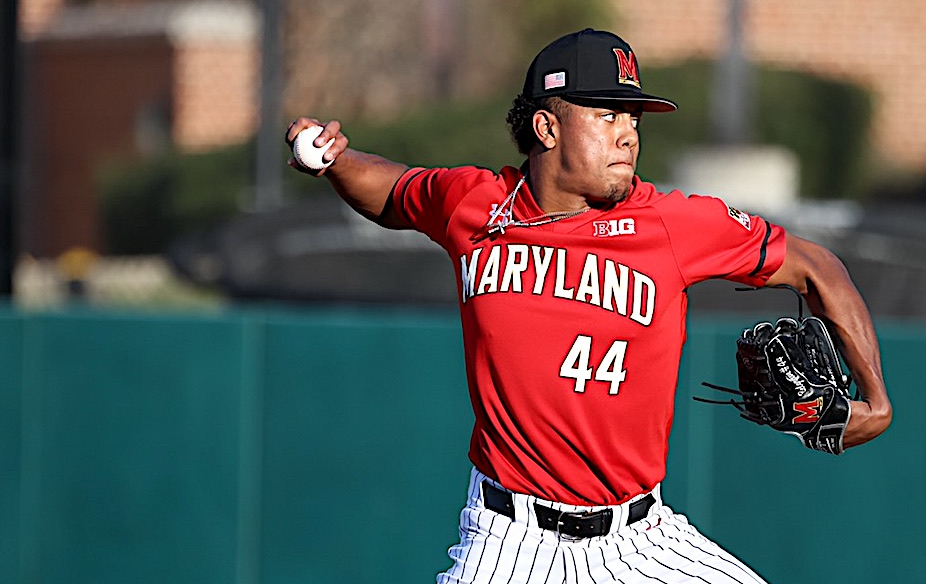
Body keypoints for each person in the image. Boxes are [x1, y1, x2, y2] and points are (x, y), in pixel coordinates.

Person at [287, 28, 891, 584]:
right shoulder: (476, 205)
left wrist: (877, 398)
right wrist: (336, 161)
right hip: (510, 541)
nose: (628, 133)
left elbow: (816, 266)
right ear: (547, 128)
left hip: (641, 540)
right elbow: (394, 191)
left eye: (632, 117)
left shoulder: (671, 224)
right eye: (607, 114)